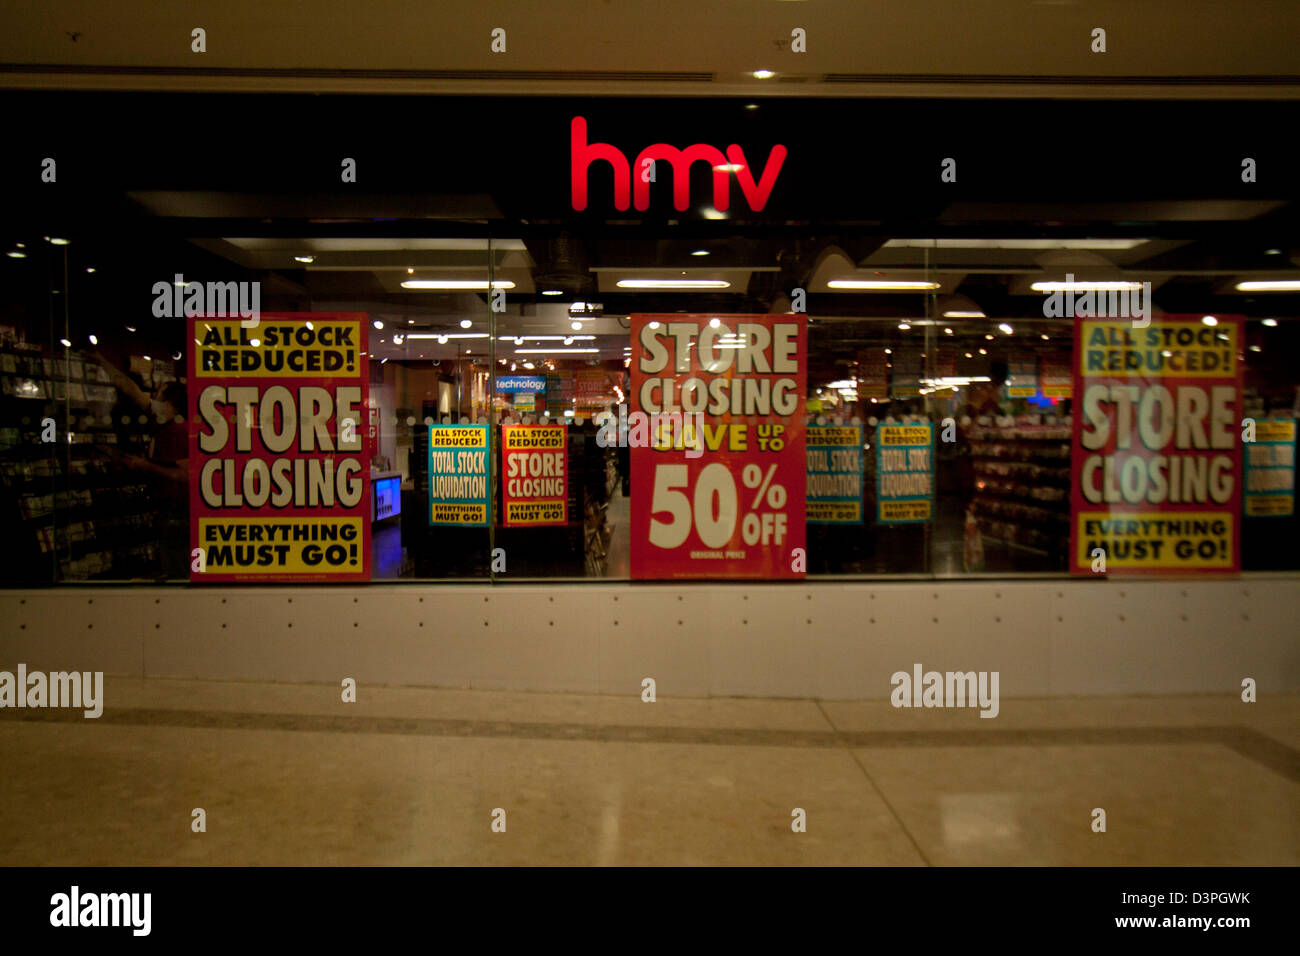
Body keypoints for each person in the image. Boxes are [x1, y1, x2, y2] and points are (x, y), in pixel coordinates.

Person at [94, 351, 190, 579]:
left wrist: (145, 466)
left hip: (178, 513)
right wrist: (101, 360)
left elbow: (185, 474)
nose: (152, 399)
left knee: (179, 572)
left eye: (158, 396)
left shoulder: (177, 431)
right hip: (173, 513)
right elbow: (130, 389)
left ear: (169, 403)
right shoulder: (168, 428)